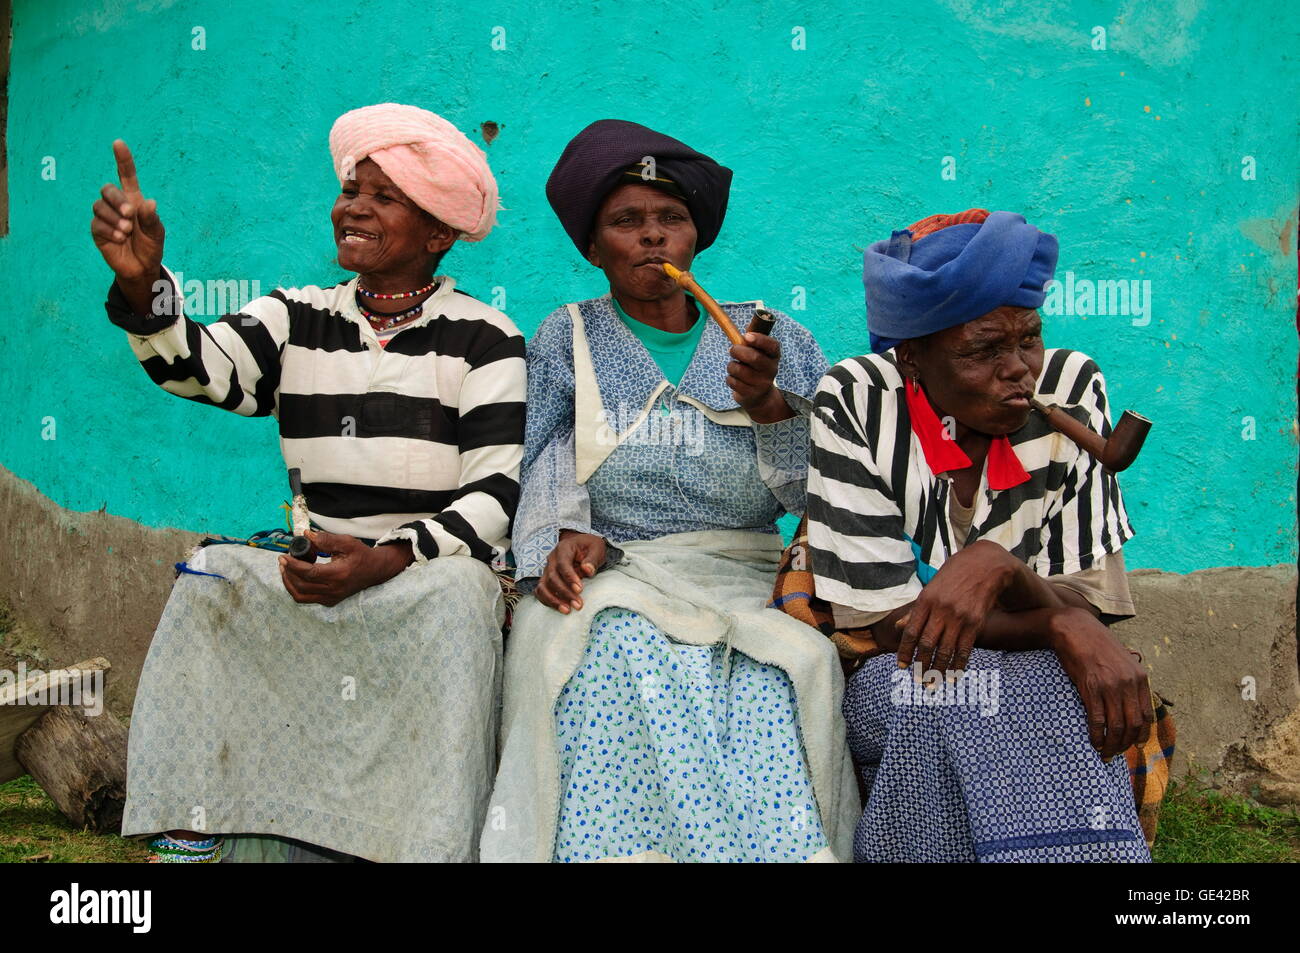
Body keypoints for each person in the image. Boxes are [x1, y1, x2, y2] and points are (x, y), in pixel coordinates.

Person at [90, 104, 525, 862]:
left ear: (439, 234)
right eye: (351, 189)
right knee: (212, 573)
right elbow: (199, 368)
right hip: (321, 568)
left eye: (383, 196)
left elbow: (493, 494)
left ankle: (424, 841)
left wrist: (387, 558)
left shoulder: (486, 338)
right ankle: (201, 817)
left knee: (461, 597)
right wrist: (147, 283)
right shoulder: (295, 316)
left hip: (423, 580)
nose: (352, 205)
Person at [480, 120, 859, 863]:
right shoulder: (568, 336)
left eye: (671, 220)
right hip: (614, 573)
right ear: (594, 249)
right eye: (627, 222)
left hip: (744, 578)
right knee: (611, 649)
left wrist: (770, 407)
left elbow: (822, 492)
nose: (653, 238)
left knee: (777, 675)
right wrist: (562, 538)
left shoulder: (769, 336)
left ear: (697, 239)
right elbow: (548, 453)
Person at [797, 208, 1157, 862]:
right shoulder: (857, 399)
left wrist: (1009, 573)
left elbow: (1090, 603)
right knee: (962, 691)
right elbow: (888, 627)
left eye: (1027, 340)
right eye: (983, 350)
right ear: (912, 357)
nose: (1019, 369)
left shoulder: (1072, 387)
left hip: (1027, 667)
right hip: (888, 670)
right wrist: (1055, 625)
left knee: (1022, 689)